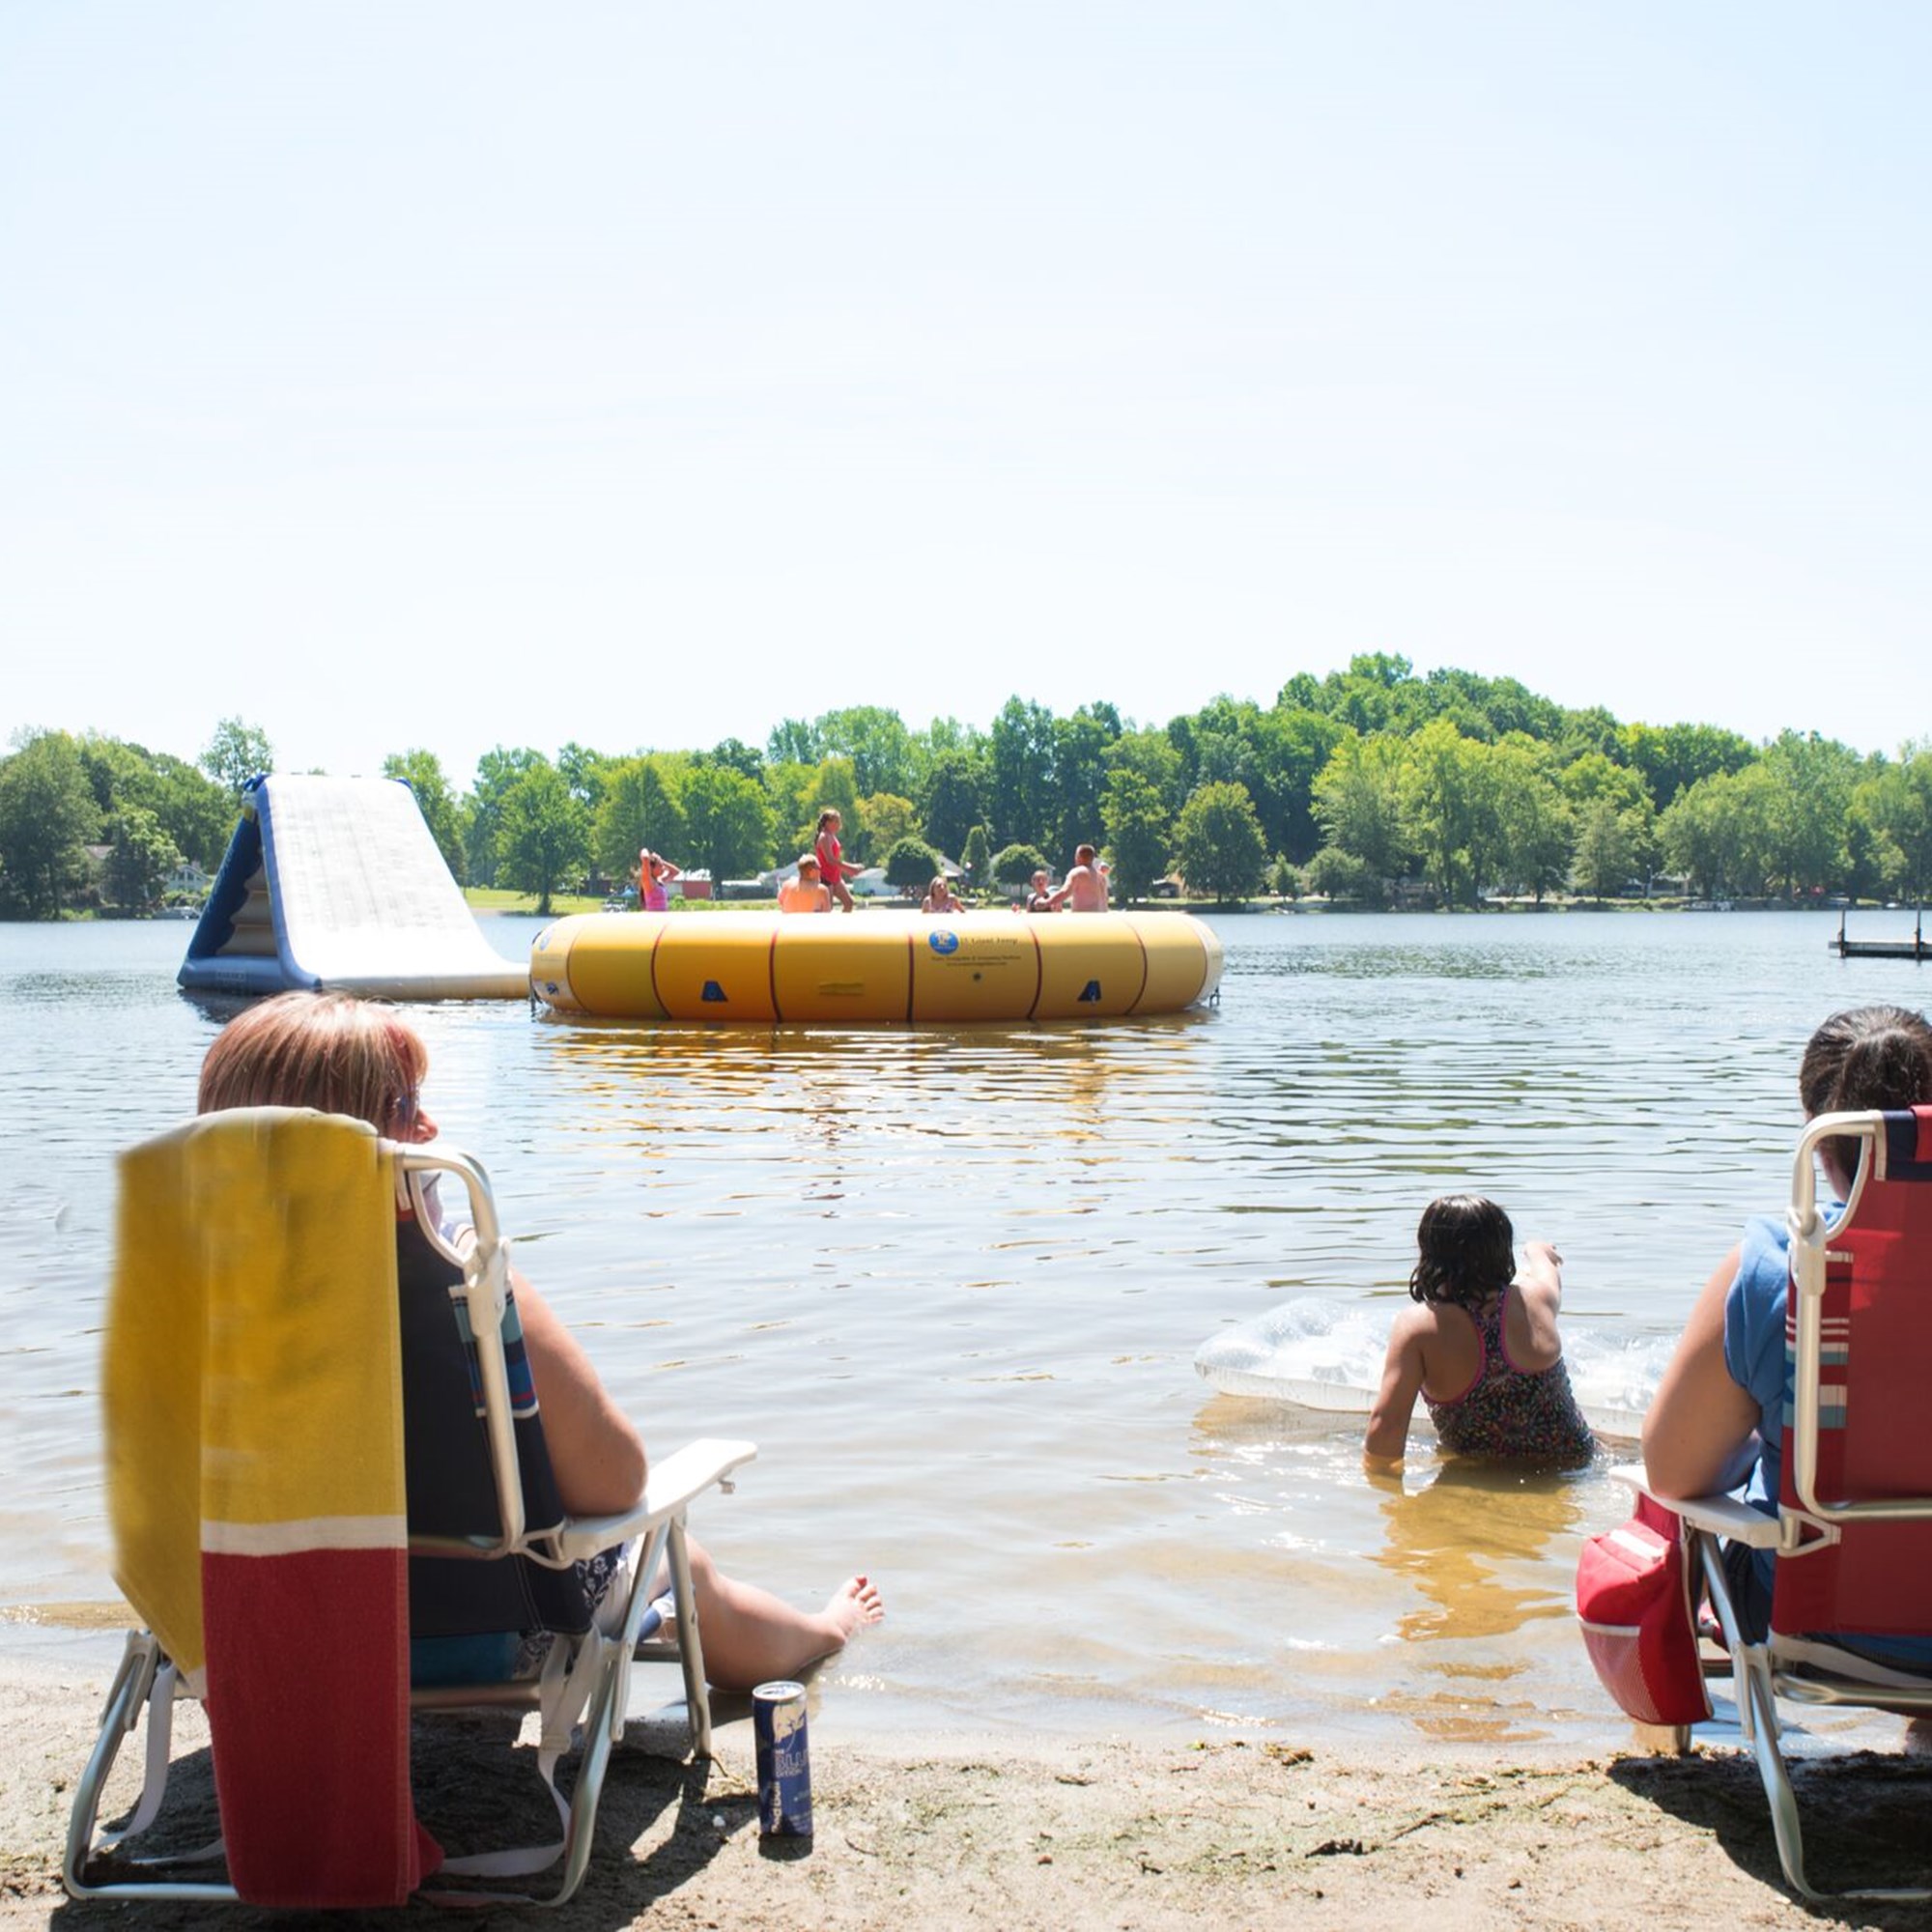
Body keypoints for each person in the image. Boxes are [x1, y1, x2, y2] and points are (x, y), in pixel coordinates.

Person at [195, 991, 883, 1691]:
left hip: (257, 1635)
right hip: (476, 1635)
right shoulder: (467, 1285)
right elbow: (616, 1483)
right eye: (406, 1106)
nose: (430, 1126)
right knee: (677, 1560)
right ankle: (825, 1630)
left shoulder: (191, 1298)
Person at [1643, 1005, 1932, 1653]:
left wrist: (1761, 1444)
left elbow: (1673, 1472)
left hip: (1824, 1623)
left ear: (1818, 1140)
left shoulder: (1785, 1270)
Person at [1365, 1195, 1594, 1468]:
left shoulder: (1419, 1326)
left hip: (1483, 1471)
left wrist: (1381, 1484)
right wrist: (1537, 1251)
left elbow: (1387, 1424)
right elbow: (1548, 1273)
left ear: (1430, 1254)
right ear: (1502, 1249)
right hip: (1572, 1460)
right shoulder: (1536, 1298)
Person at [813, 809, 863, 914]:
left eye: (839, 821)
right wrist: (851, 868)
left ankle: (841, 924)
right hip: (825, 878)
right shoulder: (824, 836)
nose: (839, 824)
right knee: (827, 909)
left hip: (835, 877)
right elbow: (830, 859)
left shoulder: (832, 835)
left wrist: (848, 869)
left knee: (849, 903)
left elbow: (836, 859)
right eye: (835, 821)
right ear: (827, 822)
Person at [1046, 844, 1110, 913]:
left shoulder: (1077, 872)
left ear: (1078, 857)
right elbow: (1106, 899)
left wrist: (1045, 903)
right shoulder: (1101, 876)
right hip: (1102, 917)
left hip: (1085, 917)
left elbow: (1065, 892)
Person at [638, 847, 682, 912]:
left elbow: (676, 872)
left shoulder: (660, 881)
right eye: (660, 866)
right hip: (653, 917)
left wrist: (662, 861)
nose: (663, 868)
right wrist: (651, 856)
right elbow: (645, 857)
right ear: (651, 868)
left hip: (663, 916)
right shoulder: (648, 881)